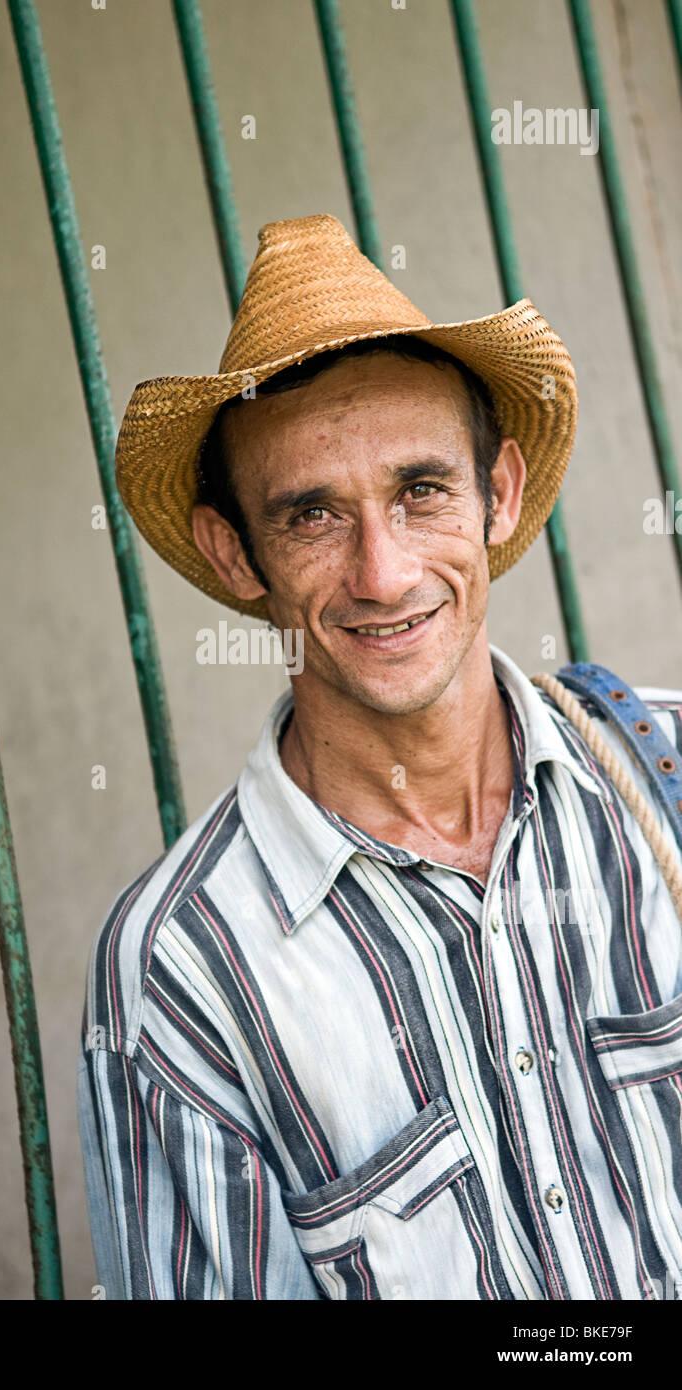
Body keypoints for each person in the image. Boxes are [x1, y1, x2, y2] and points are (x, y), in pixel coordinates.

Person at [77, 213, 682, 1300]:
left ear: (495, 494)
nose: (382, 569)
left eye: (420, 489)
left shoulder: (663, 771)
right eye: (311, 514)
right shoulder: (181, 972)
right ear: (237, 554)